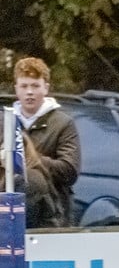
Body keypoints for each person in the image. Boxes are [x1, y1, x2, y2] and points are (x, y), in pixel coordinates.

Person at [2, 57, 79, 226]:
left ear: (46, 88)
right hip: (9, 218)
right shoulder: (5, 122)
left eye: (35, 86)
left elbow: (70, 171)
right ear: (16, 89)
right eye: (24, 86)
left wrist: (30, 160)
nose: (29, 92)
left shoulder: (63, 124)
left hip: (51, 218)